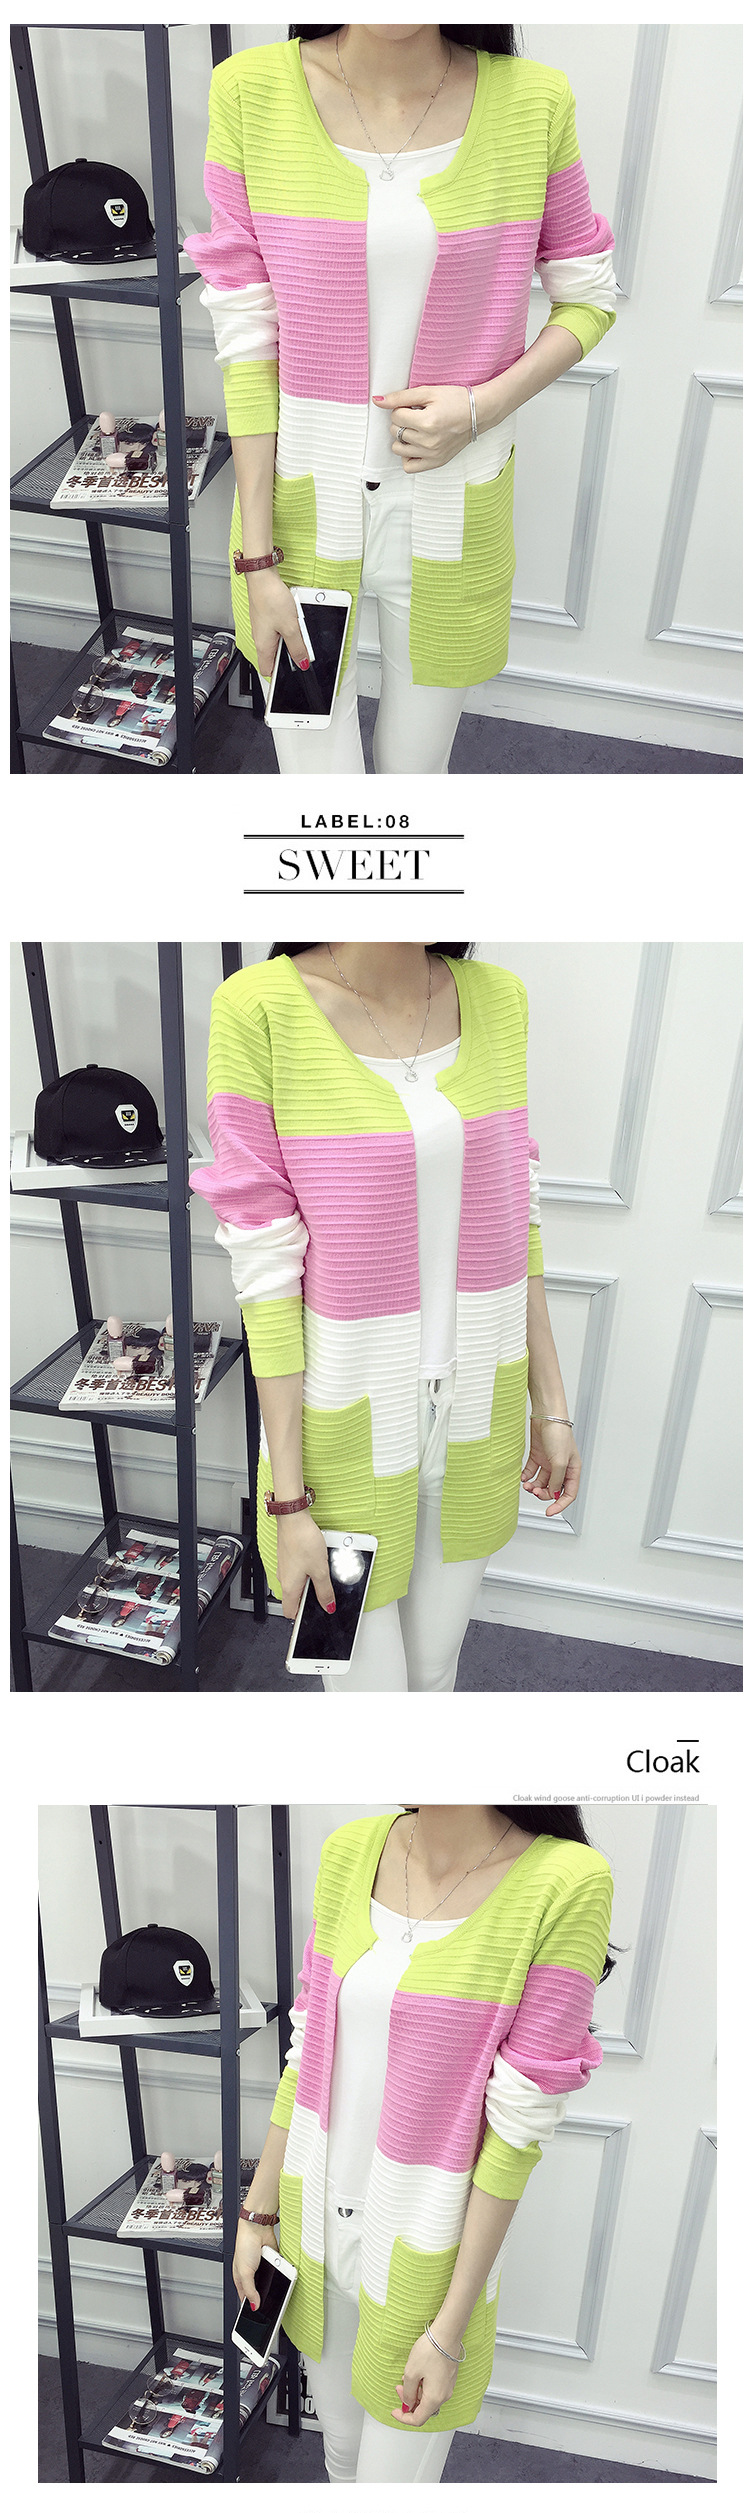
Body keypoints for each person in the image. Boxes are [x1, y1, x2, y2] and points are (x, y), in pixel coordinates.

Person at [184, 25, 616, 774]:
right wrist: (257, 561)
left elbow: (588, 297)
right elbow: (247, 341)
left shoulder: (535, 102)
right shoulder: (250, 92)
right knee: (320, 788)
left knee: (415, 782)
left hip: (454, 510)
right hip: (299, 521)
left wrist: (479, 408)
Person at [190, 945, 580, 1692]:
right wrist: (289, 1503)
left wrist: (551, 1405)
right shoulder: (258, 1008)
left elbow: (517, 1216)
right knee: (363, 1695)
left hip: (478, 1416)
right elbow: (265, 1272)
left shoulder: (499, 999)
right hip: (340, 1439)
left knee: (434, 1673)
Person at [233, 1803, 614, 2483]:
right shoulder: (351, 1849)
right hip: (315, 2227)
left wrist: (450, 2327)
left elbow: (515, 2134)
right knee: (340, 2454)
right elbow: (307, 2048)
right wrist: (258, 2213)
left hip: (425, 2253)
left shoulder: (566, 1880)